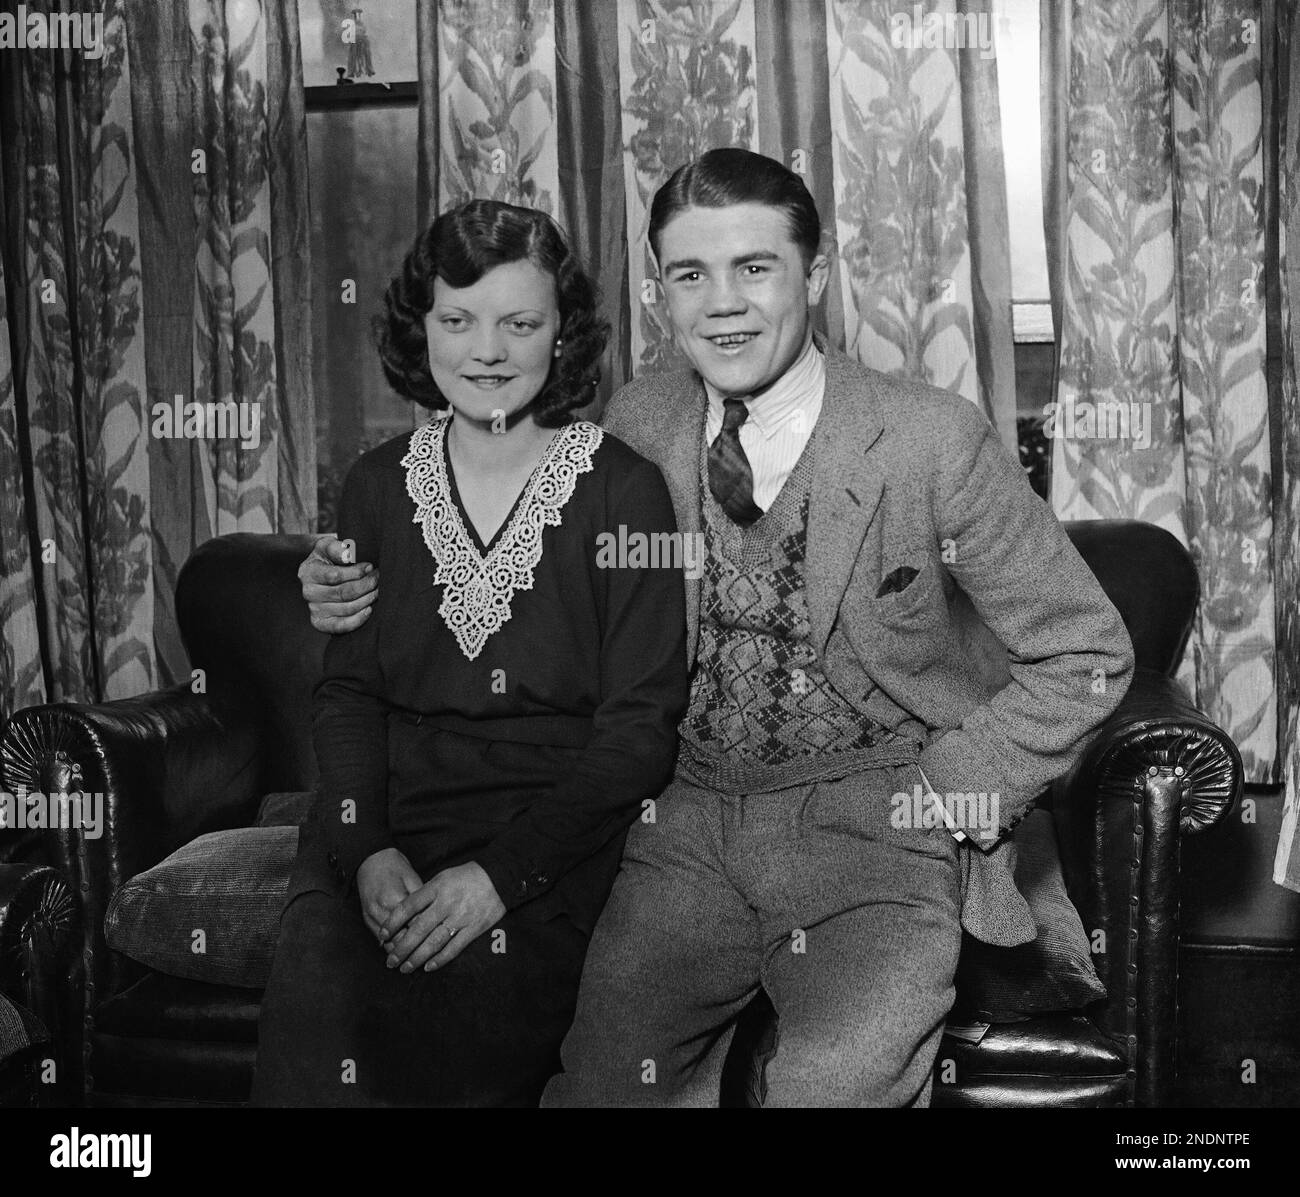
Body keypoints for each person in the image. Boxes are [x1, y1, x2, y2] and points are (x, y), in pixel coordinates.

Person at [300, 149, 1135, 1107]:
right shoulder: (639, 421)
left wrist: (952, 788)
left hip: (873, 823)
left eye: (756, 268)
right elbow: (495, 580)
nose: (724, 304)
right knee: (603, 1089)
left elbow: (1087, 649)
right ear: (659, 294)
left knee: (833, 1086)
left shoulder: (930, 438)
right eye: (692, 275)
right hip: (682, 818)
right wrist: (343, 583)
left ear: (814, 278)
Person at [253, 199, 688, 1107]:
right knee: (321, 1059)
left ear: (563, 334)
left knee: (460, 1042)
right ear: (423, 328)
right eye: (457, 320)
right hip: (386, 824)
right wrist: (364, 849)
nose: (485, 350)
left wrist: (499, 878)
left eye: (519, 323)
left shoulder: (625, 490)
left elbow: (640, 734)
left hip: (543, 841)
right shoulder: (374, 486)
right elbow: (349, 699)